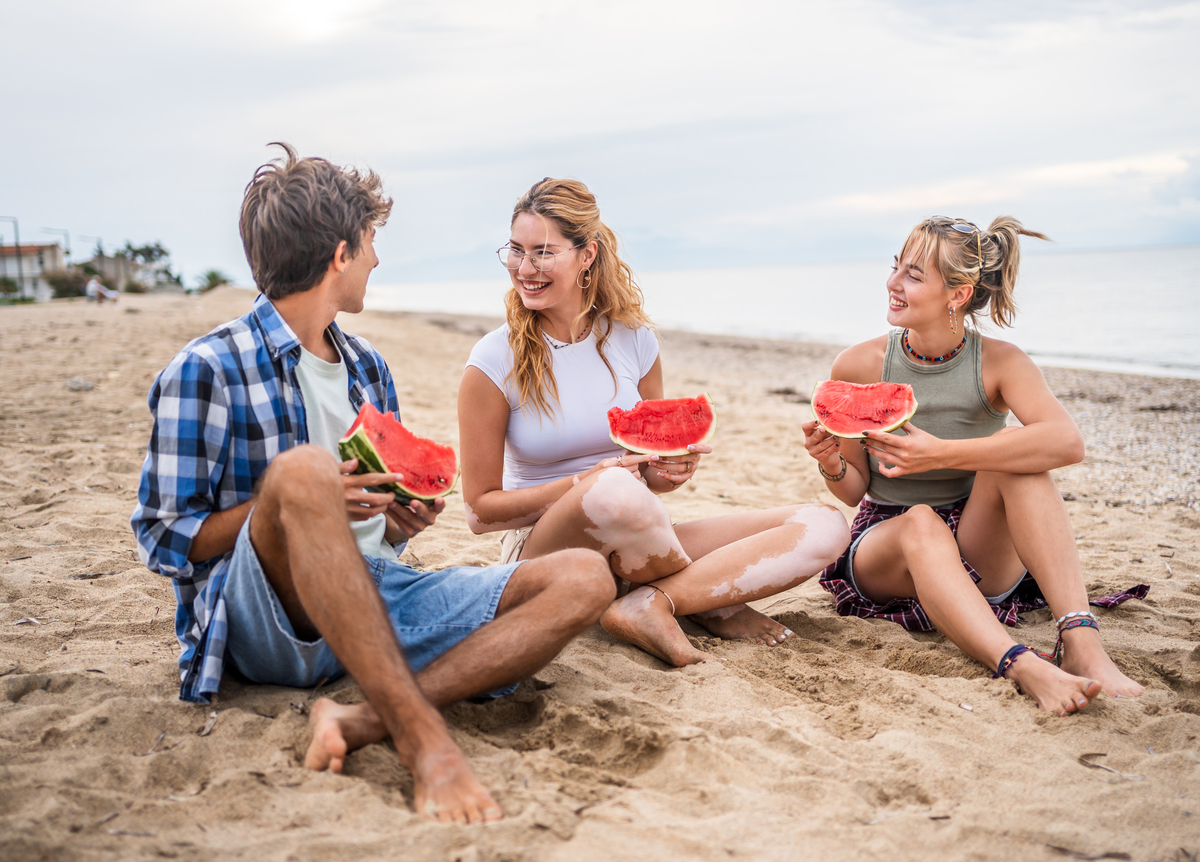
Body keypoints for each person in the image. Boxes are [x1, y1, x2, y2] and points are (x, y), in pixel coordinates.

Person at [131, 145, 615, 824]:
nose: (377, 260)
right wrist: (300, 503)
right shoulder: (207, 367)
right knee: (302, 471)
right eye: (370, 243)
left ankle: (362, 718)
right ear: (340, 255)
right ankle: (423, 740)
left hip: (373, 594)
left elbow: (378, 529)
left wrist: (394, 519)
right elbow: (162, 540)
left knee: (585, 578)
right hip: (266, 619)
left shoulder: (367, 367)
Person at [458, 178, 850, 668]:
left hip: (639, 536)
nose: (524, 268)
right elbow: (479, 514)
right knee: (614, 491)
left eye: (543, 253)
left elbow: (648, 479)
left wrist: (668, 471)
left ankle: (655, 600)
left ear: (587, 255)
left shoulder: (633, 340)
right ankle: (718, 606)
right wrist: (586, 483)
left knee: (824, 525)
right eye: (516, 250)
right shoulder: (492, 360)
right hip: (543, 550)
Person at [801, 215, 1147, 717]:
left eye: (913, 275)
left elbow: (1067, 443)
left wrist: (940, 453)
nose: (893, 283)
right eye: (896, 267)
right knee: (920, 520)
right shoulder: (859, 364)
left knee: (1017, 456)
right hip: (887, 545)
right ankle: (1021, 665)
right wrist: (831, 462)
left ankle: (1082, 644)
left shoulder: (1001, 362)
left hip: (976, 541)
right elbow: (853, 491)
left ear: (958, 295)